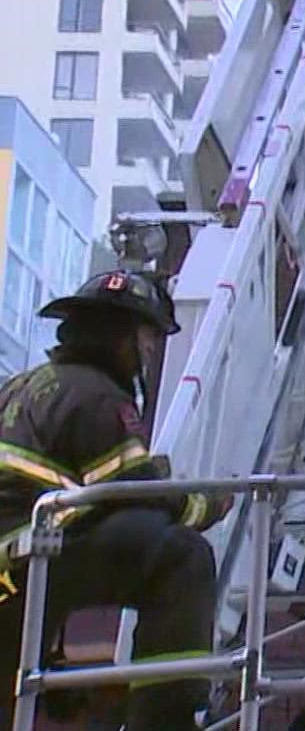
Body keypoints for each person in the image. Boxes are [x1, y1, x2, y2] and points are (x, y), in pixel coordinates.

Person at [0, 270, 232, 729]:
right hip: (30, 555)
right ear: (121, 337)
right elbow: (138, 496)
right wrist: (212, 504)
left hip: (12, 572)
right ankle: (166, 715)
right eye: (145, 337)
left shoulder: (20, 387)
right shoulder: (98, 396)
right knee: (178, 556)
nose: (148, 351)